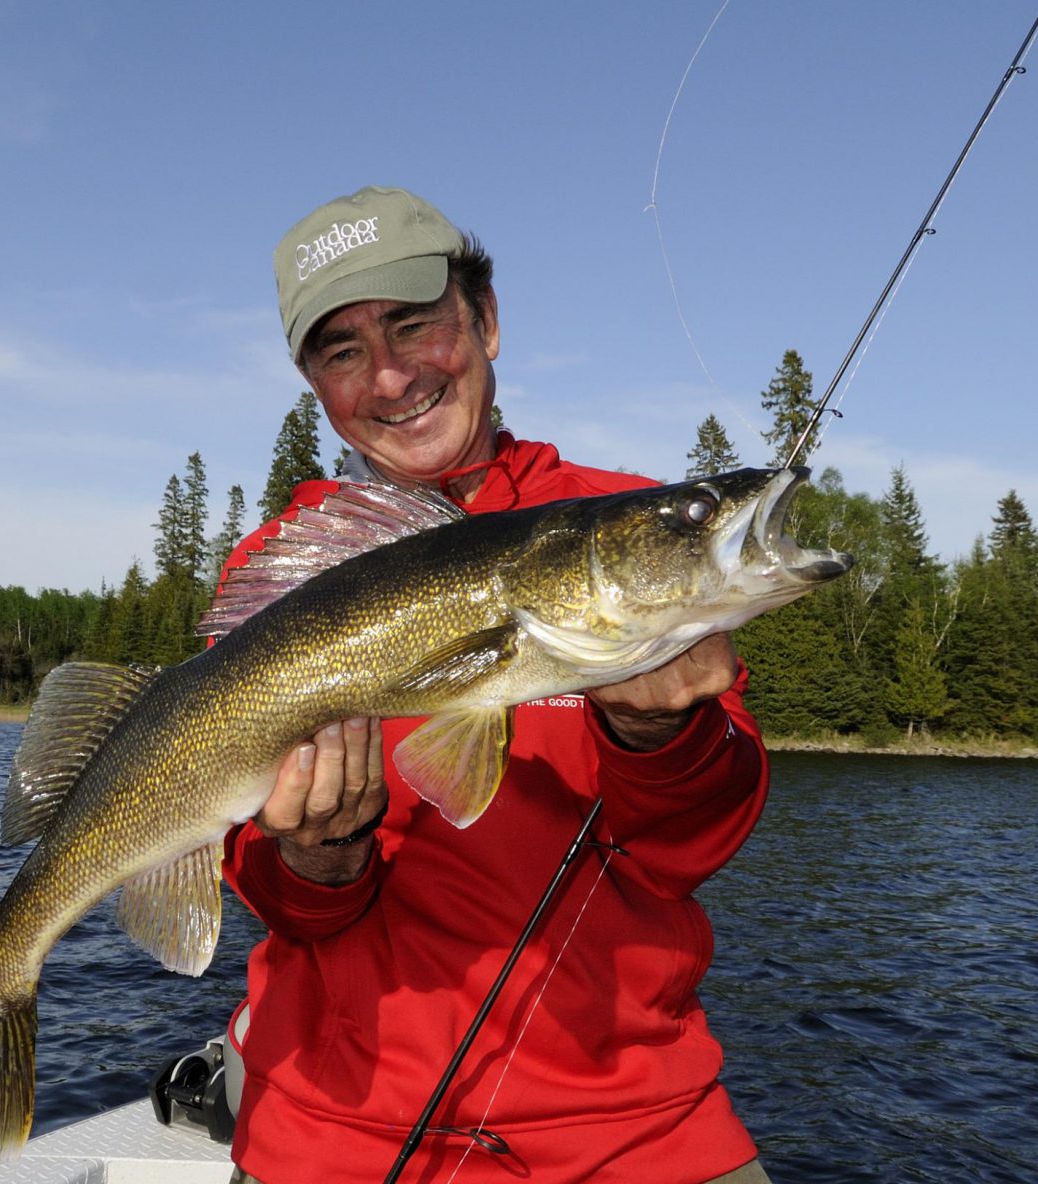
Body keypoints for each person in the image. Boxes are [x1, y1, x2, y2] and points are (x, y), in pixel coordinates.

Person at [220, 186, 772, 1183]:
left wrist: (662, 741)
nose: (388, 375)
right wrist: (315, 856)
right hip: (338, 1138)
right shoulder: (283, 572)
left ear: (483, 320)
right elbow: (284, 905)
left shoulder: (615, 526)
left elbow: (693, 845)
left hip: (634, 1132)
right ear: (312, 383)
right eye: (341, 351)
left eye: (412, 322)